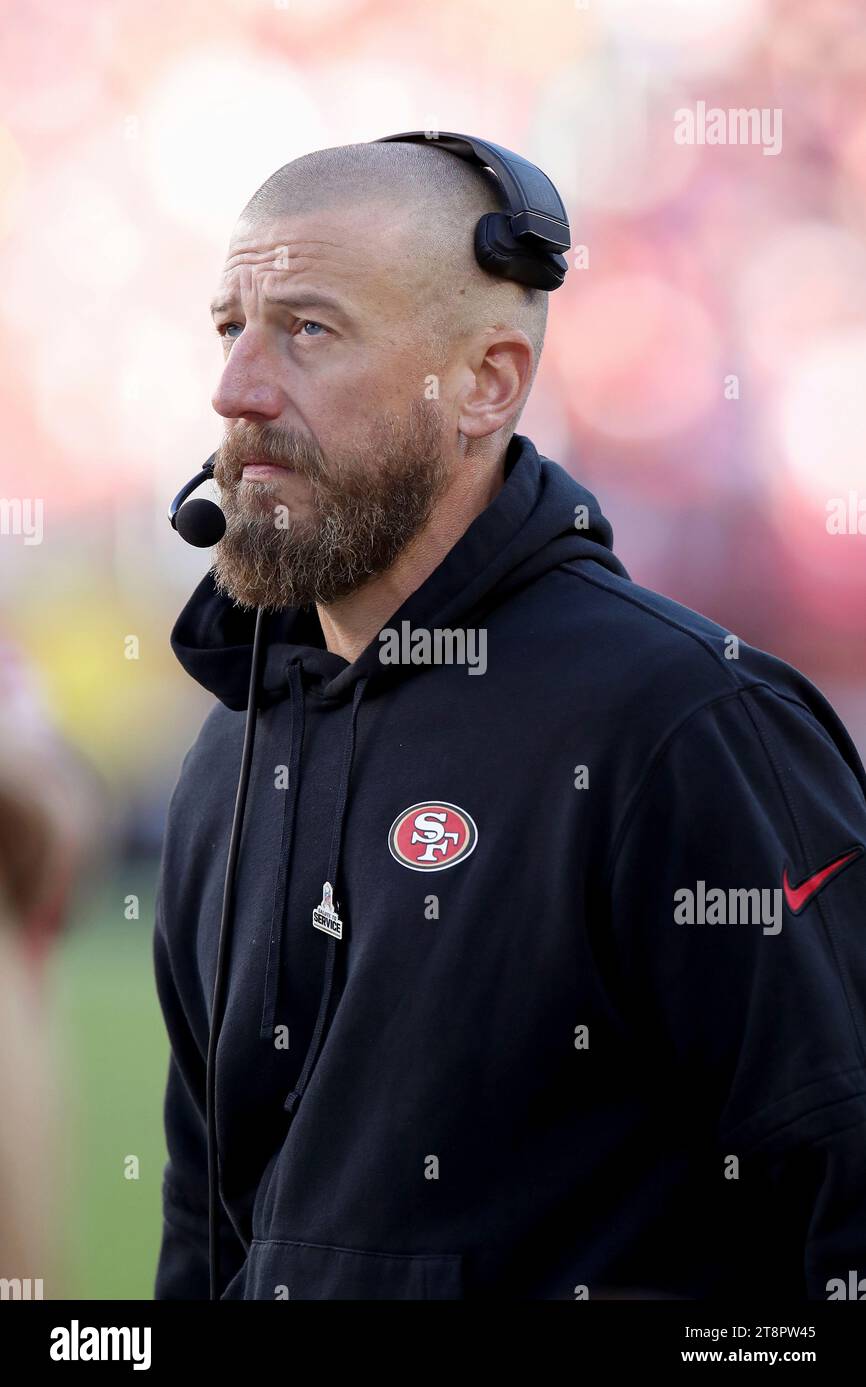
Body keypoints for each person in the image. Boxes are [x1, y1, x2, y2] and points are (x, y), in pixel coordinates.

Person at [153, 137, 866, 1300]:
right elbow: (205, 1233)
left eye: (308, 329)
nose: (236, 386)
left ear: (485, 383)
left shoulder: (681, 725)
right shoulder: (227, 753)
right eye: (229, 327)